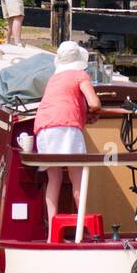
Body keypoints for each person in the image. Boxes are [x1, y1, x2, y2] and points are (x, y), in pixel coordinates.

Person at [34, 41, 101, 232]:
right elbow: (94, 102)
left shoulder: (53, 79)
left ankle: (52, 232)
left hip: (43, 127)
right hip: (67, 127)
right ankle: (83, 229)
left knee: (53, 178)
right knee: (77, 177)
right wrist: (94, 112)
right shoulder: (80, 75)